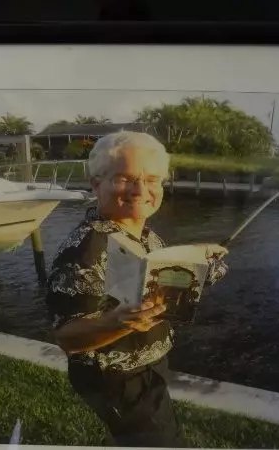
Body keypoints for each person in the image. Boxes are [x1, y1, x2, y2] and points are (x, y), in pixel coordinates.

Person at [45, 131, 228, 447]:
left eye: (153, 180)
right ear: (96, 183)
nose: (141, 190)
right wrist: (118, 322)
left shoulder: (143, 235)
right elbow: (67, 337)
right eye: (125, 178)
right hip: (119, 380)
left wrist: (198, 261)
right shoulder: (86, 249)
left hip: (148, 368)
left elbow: (155, 282)